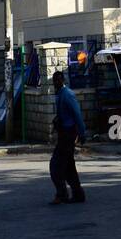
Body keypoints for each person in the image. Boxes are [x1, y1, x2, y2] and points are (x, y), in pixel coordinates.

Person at [49, 70, 86, 205]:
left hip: (68, 135)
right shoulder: (59, 95)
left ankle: (62, 194)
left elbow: (77, 115)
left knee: (56, 166)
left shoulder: (67, 95)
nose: (56, 83)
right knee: (69, 166)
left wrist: (82, 133)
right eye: (54, 80)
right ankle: (78, 194)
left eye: (58, 80)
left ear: (62, 81)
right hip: (64, 134)